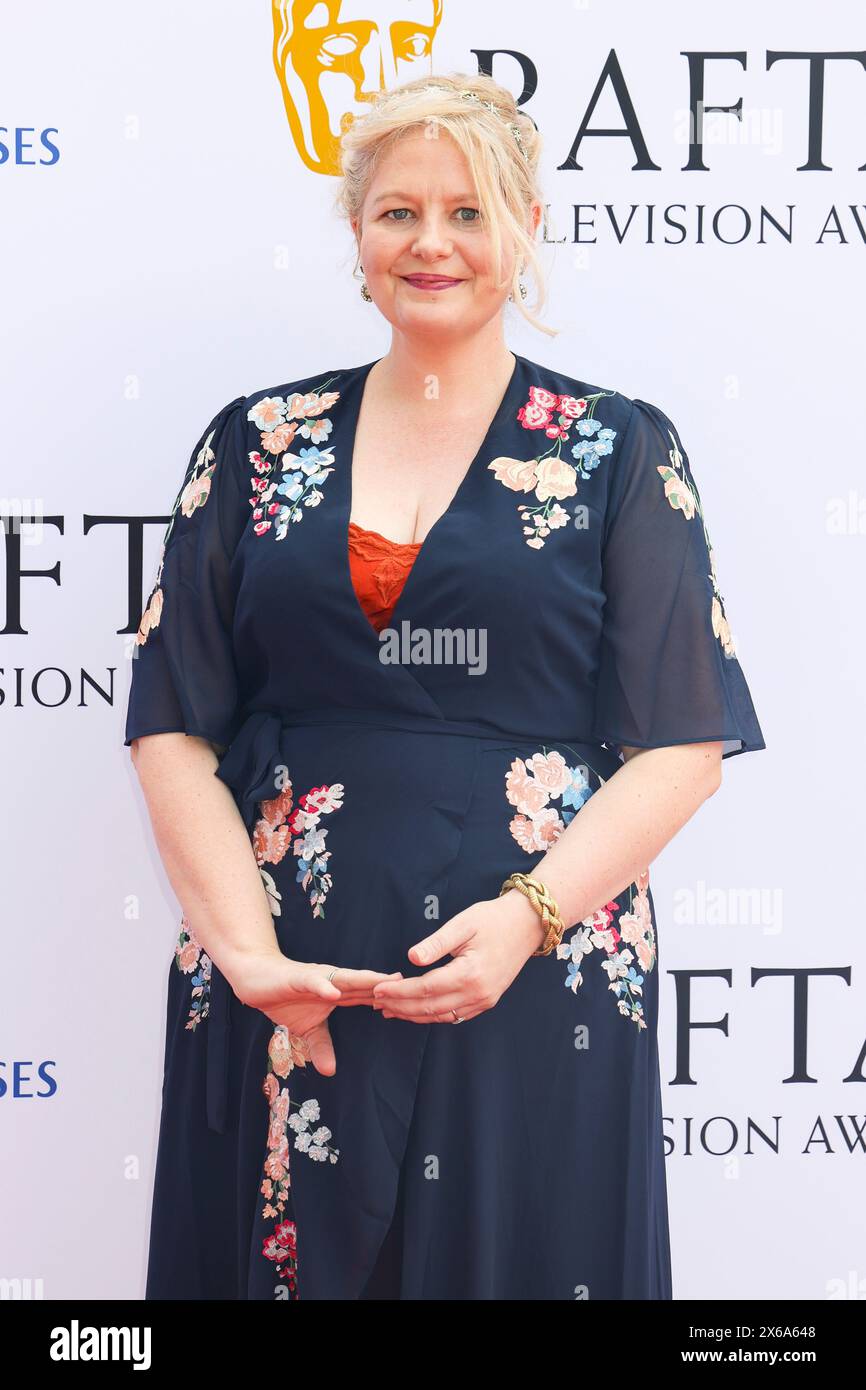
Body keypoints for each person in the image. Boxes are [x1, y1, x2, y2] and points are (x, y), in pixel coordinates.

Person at [125, 72, 766, 1301]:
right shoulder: (255, 441)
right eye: (398, 212)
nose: (431, 243)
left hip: (534, 979)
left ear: (525, 230)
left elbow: (681, 741)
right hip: (282, 985)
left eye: (469, 212)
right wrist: (249, 957)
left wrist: (527, 913)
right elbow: (170, 726)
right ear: (354, 234)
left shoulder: (616, 450)